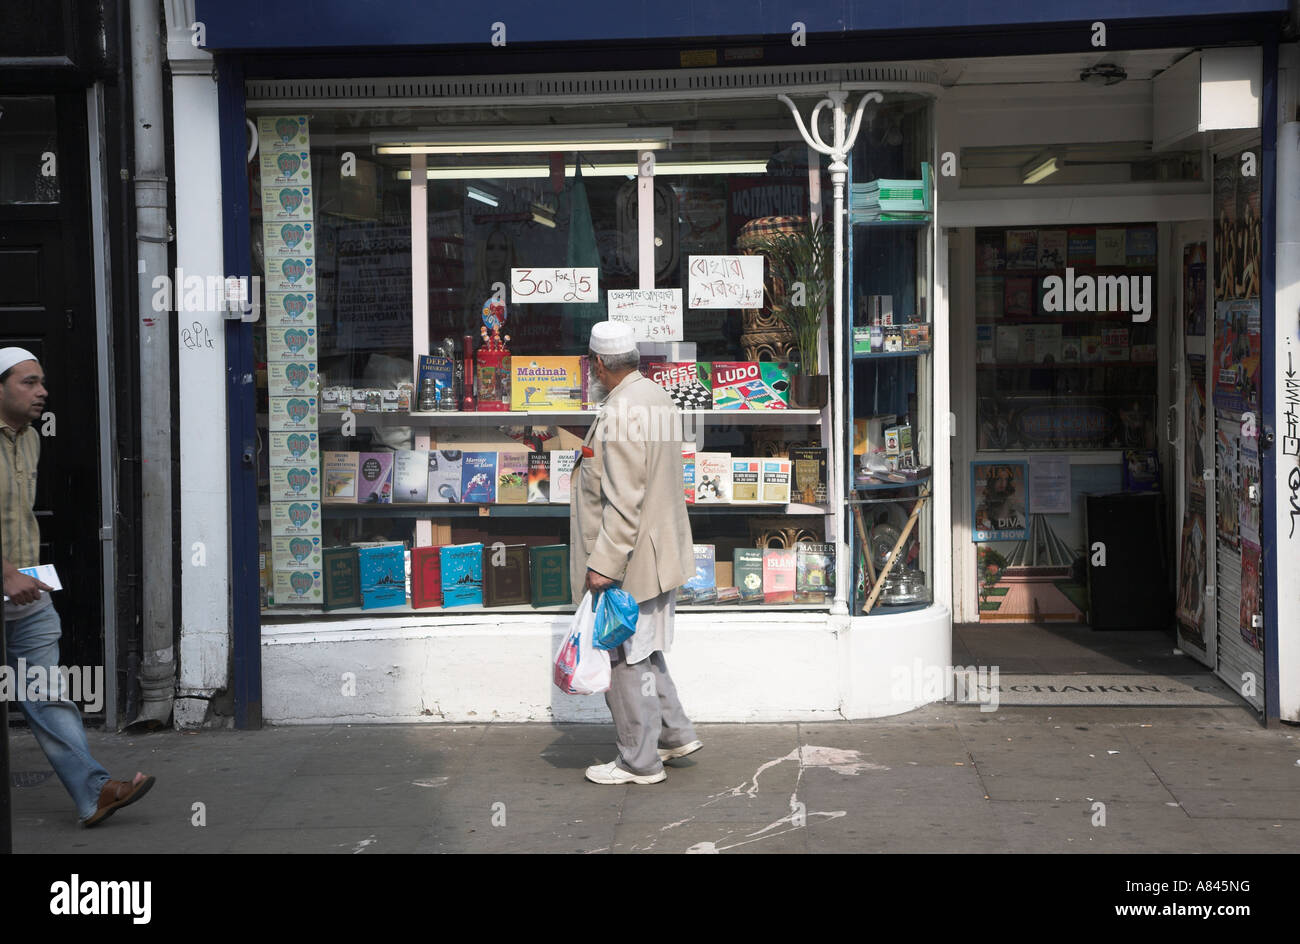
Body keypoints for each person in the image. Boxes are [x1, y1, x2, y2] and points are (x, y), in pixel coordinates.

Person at [0, 347, 154, 826]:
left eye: (42, 381)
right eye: (28, 382)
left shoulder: (29, 440)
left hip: (27, 588)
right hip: (8, 577)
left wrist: (22, 574)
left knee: (49, 692)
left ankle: (95, 792)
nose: (42, 390)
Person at [570, 322, 701, 785]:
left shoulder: (622, 410)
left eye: (591, 364)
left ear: (599, 363)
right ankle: (674, 734)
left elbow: (624, 499)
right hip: (657, 551)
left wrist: (604, 564)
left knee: (622, 655)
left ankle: (638, 761)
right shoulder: (654, 395)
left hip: (631, 559)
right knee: (644, 648)